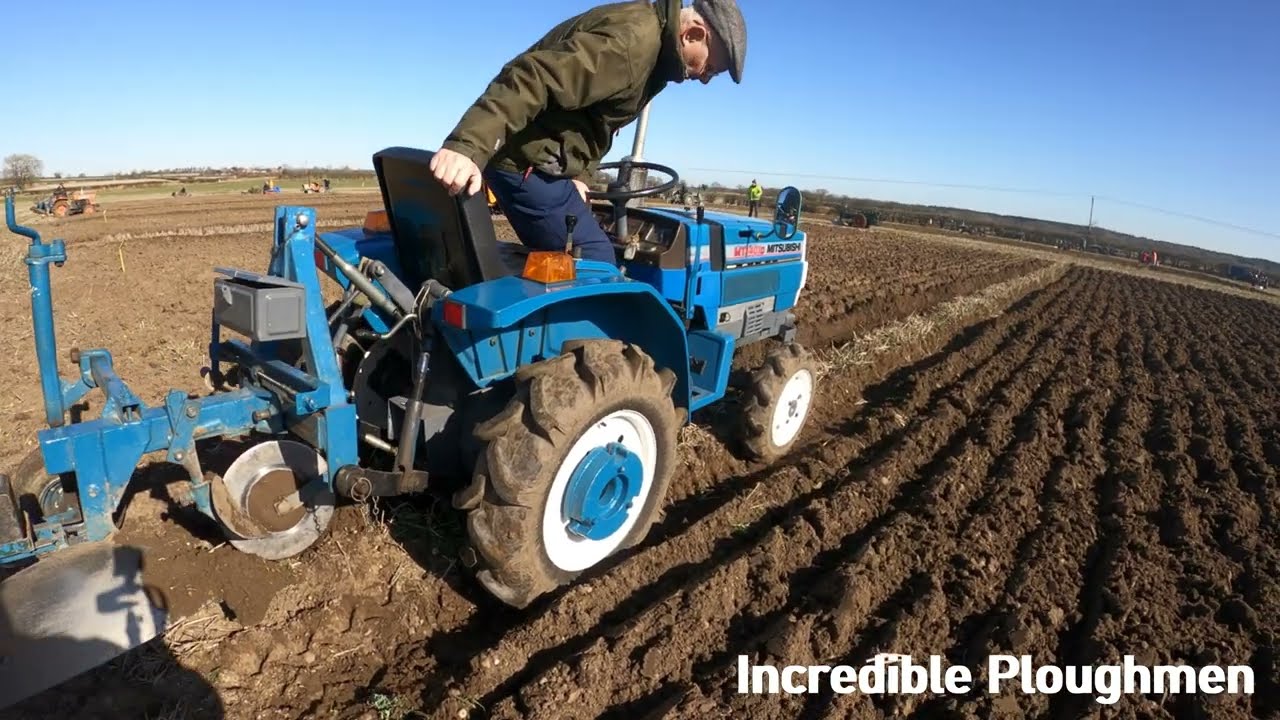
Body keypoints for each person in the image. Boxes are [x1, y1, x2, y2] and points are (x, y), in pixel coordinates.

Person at [428, 0, 747, 264]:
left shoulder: (654, 52)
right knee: (596, 261)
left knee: (589, 243)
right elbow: (534, 77)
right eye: (710, 68)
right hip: (525, 163)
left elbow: (600, 119)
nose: (705, 79)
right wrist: (468, 145)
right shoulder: (632, 45)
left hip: (545, 164)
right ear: (693, 34)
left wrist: (581, 176)